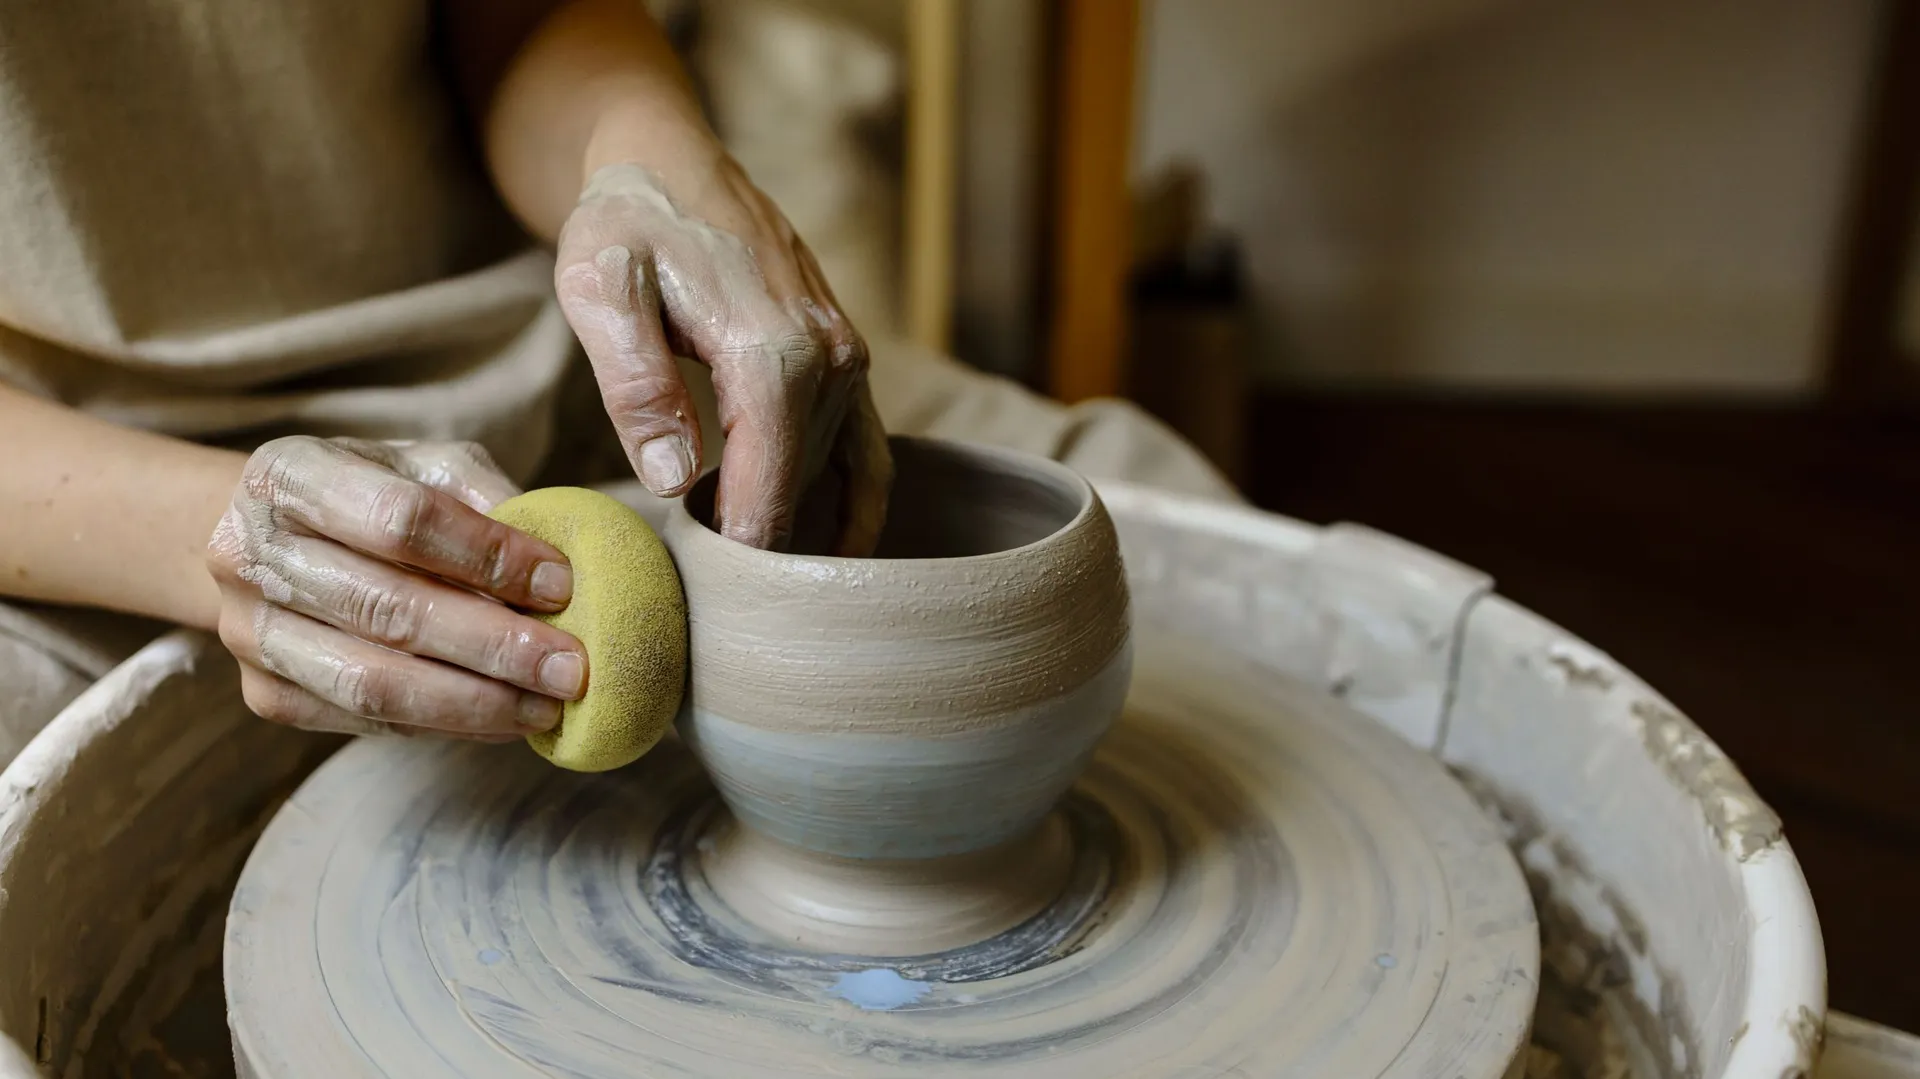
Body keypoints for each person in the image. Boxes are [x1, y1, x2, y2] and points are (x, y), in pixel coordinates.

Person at [0, 0, 1232, 764]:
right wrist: (206, 533)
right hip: (90, 484)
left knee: (1158, 505)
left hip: (578, 345)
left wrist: (641, 155)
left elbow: (519, 23)